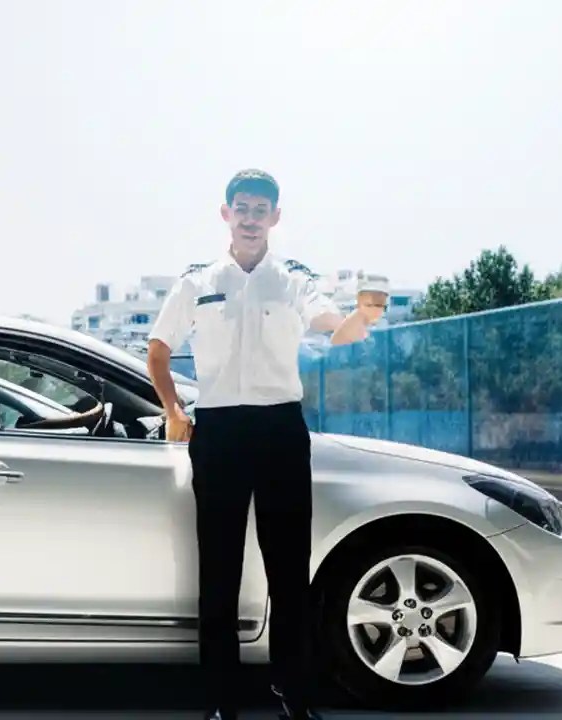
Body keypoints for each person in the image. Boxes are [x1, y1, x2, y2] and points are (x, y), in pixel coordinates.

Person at [145, 169, 384, 720]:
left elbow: (330, 324)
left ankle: (294, 695)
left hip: (279, 431)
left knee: (288, 571)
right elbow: (158, 351)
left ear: (276, 217)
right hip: (220, 432)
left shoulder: (293, 278)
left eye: (261, 209)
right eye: (242, 208)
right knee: (220, 572)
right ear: (225, 214)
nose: (251, 218)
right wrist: (173, 407)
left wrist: (359, 319)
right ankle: (222, 701)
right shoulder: (196, 281)